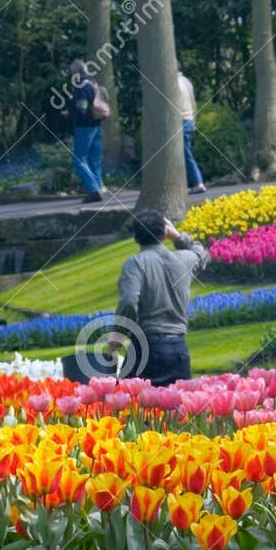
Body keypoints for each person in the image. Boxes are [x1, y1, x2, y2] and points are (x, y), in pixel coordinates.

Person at [113, 210, 210, 386]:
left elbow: (128, 301)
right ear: (164, 233)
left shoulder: (135, 263)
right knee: (177, 410)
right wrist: (178, 236)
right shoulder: (183, 259)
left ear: (136, 237)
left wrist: (118, 335)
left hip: (146, 348)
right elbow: (202, 254)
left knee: (130, 406)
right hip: (179, 349)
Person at [65, 59, 105, 203]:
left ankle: (94, 190)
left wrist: (71, 114)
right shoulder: (93, 83)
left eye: (71, 71)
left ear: (76, 72)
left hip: (85, 127)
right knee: (94, 159)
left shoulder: (81, 86)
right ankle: (100, 187)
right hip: (97, 125)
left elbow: (81, 108)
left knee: (78, 159)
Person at [177, 69, 207, 195]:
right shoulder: (186, 81)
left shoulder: (173, 83)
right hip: (188, 119)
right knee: (184, 153)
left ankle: (197, 182)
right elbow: (193, 102)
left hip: (181, 120)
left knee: (186, 154)